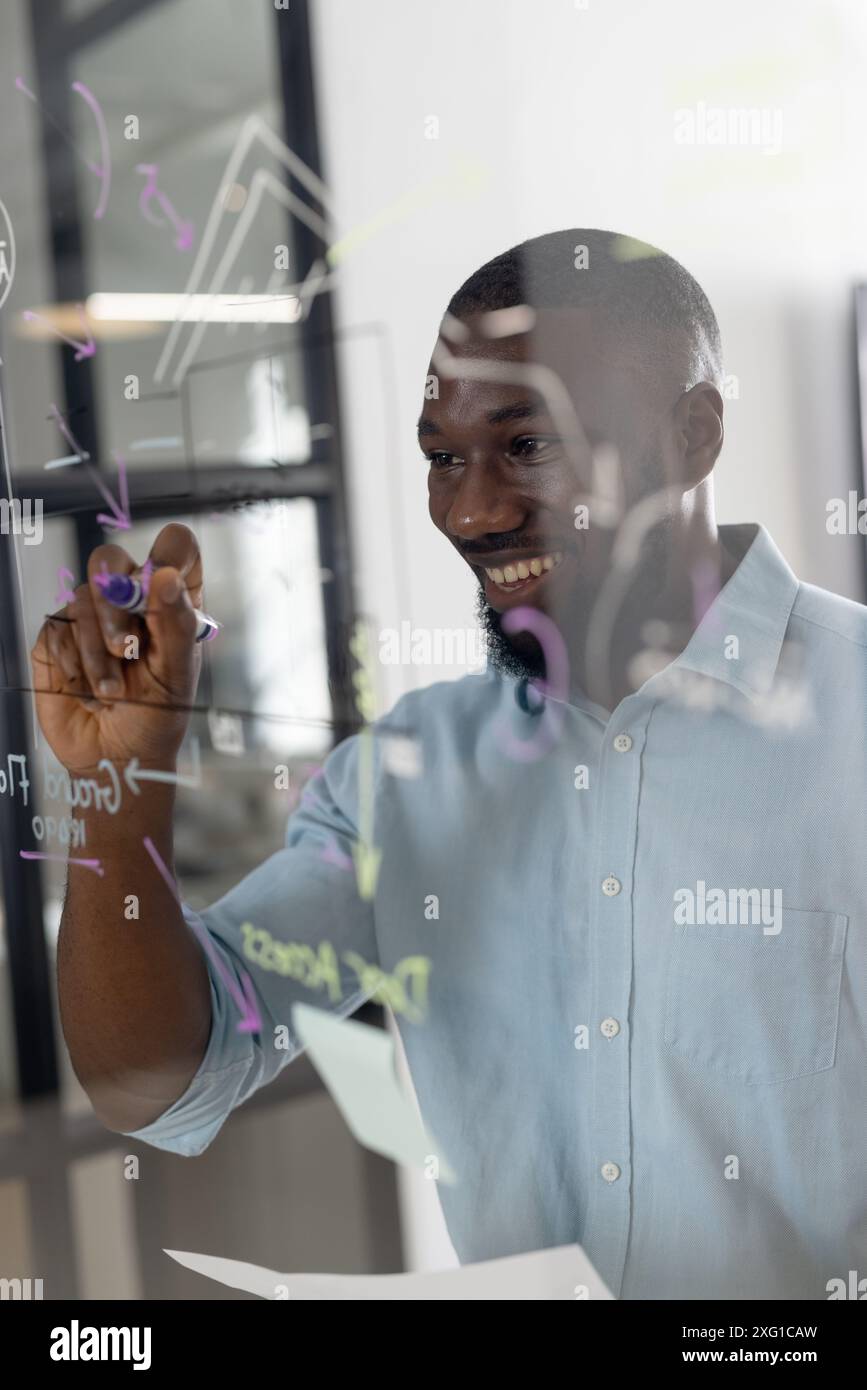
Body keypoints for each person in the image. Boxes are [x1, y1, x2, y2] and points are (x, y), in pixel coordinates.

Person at [31, 229, 866, 1300]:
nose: (471, 511)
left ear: (693, 433)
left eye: (528, 448)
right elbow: (156, 1082)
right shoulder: (403, 781)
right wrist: (116, 793)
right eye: (442, 458)